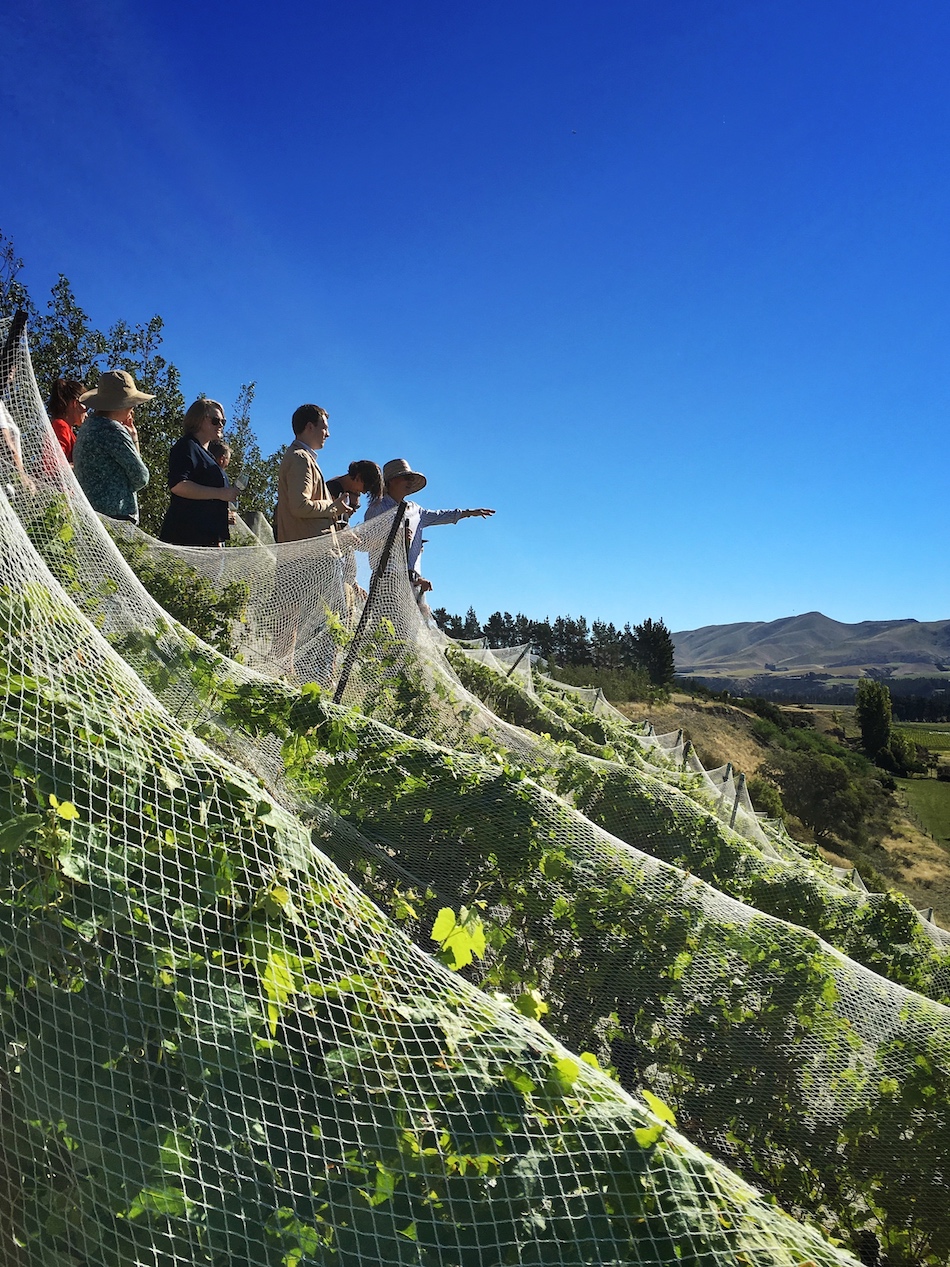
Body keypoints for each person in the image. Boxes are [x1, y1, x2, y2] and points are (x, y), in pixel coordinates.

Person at [363, 457, 494, 595]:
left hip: (411, 580)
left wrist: (469, 513)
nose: (410, 482)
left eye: (411, 478)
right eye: (406, 477)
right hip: (385, 576)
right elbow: (369, 540)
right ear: (392, 481)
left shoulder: (415, 510)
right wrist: (396, 536)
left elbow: (440, 515)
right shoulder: (377, 508)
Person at [159, 399, 240, 547]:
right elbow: (179, 485)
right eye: (215, 420)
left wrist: (222, 515)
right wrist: (220, 493)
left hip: (207, 539)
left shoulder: (207, 455)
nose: (221, 425)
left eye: (223, 421)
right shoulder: (186, 446)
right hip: (187, 538)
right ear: (198, 420)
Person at [73, 370, 152, 522]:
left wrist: (133, 436)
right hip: (117, 517)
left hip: (91, 514)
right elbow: (141, 477)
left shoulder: (87, 427)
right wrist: (133, 440)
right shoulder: (112, 429)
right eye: (131, 404)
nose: (132, 409)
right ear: (121, 405)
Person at [274, 404, 349, 542]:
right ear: (310, 427)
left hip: (305, 553)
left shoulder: (300, 457)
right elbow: (300, 506)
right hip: (307, 556)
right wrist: (332, 507)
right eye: (324, 428)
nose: (328, 434)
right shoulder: (300, 458)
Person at [48, 378, 87, 463]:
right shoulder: (61, 426)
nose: (86, 414)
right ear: (75, 403)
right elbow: (53, 464)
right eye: (85, 407)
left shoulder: (67, 429)